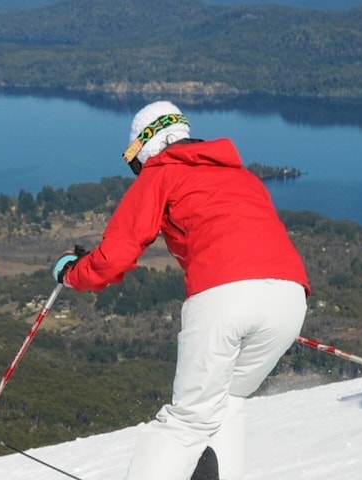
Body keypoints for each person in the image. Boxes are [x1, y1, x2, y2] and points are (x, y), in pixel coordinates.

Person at [53, 101, 311, 480]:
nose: (138, 170)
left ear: (147, 148)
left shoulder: (161, 172)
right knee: (228, 400)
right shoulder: (242, 176)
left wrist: (73, 273)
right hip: (290, 297)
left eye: (136, 161)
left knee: (187, 420)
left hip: (224, 296)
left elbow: (114, 257)